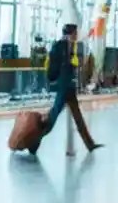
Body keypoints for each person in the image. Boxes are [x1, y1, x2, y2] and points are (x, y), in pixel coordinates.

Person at [42, 24, 102, 153]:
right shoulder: (59, 46)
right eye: (75, 33)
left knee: (77, 117)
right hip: (63, 86)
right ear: (69, 34)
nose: (76, 35)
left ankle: (90, 144)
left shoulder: (70, 46)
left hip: (69, 86)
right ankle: (35, 139)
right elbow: (55, 65)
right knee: (54, 114)